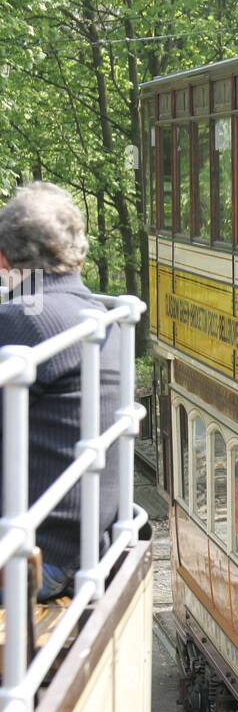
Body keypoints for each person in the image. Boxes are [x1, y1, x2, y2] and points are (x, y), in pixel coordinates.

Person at [0, 182, 120, 601]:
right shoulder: (99, 317)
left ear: (4, 259)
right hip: (85, 544)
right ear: (80, 254)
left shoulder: (19, 321)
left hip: (38, 558)